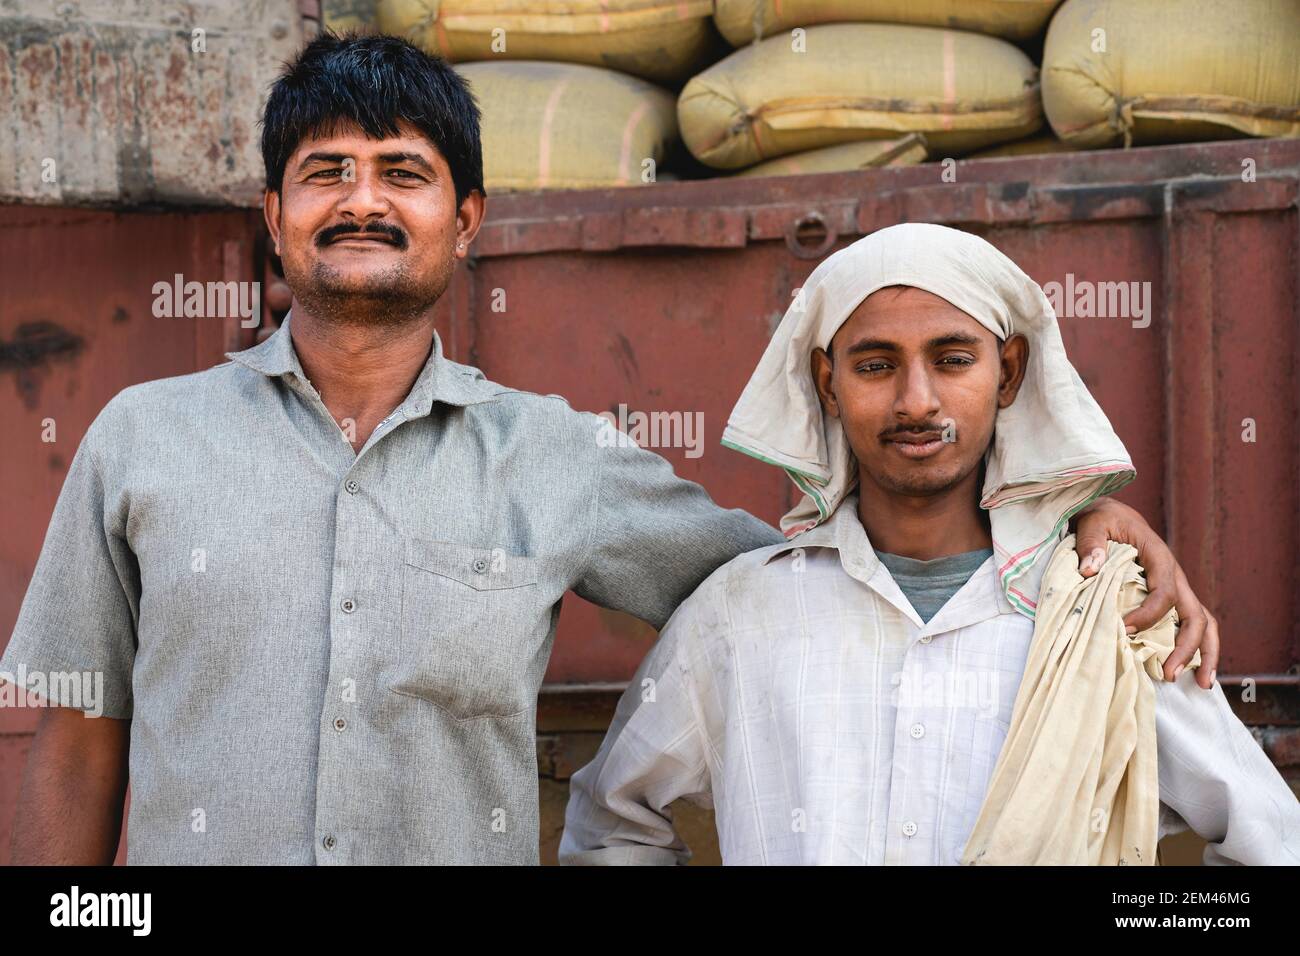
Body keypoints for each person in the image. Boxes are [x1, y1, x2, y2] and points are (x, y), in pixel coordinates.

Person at [1, 36, 1211, 866]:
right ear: (274, 217)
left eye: (403, 175)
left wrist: (1069, 533)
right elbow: (78, 729)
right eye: (326, 173)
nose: (362, 201)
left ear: (464, 223)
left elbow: (817, 577)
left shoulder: (555, 457)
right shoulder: (142, 440)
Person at [559, 223, 1298, 866]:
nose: (916, 401)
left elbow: (1272, 839)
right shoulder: (739, 612)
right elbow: (611, 826)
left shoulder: (1102, 615)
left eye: (953, 360)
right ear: (827, 382)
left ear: (1007, 372)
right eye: (876, 365)